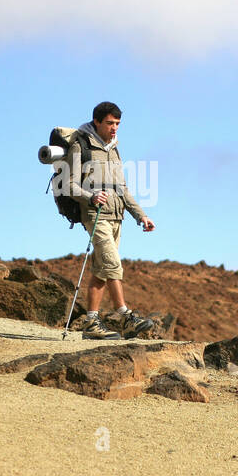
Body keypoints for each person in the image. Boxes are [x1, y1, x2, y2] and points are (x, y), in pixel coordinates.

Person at [66, 101, 156, 339]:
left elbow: (122, 188)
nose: (114, 128)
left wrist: (141, 216)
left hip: (117, 216)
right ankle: (126, 316)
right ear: (97, 122)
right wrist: (91, 195)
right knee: (113, 263)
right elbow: (69, 185)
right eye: (109, 123)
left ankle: (91, 324)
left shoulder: (114, 148)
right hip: (95, 215)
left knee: (102, 271)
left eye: (117, 123)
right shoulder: (81, 145)